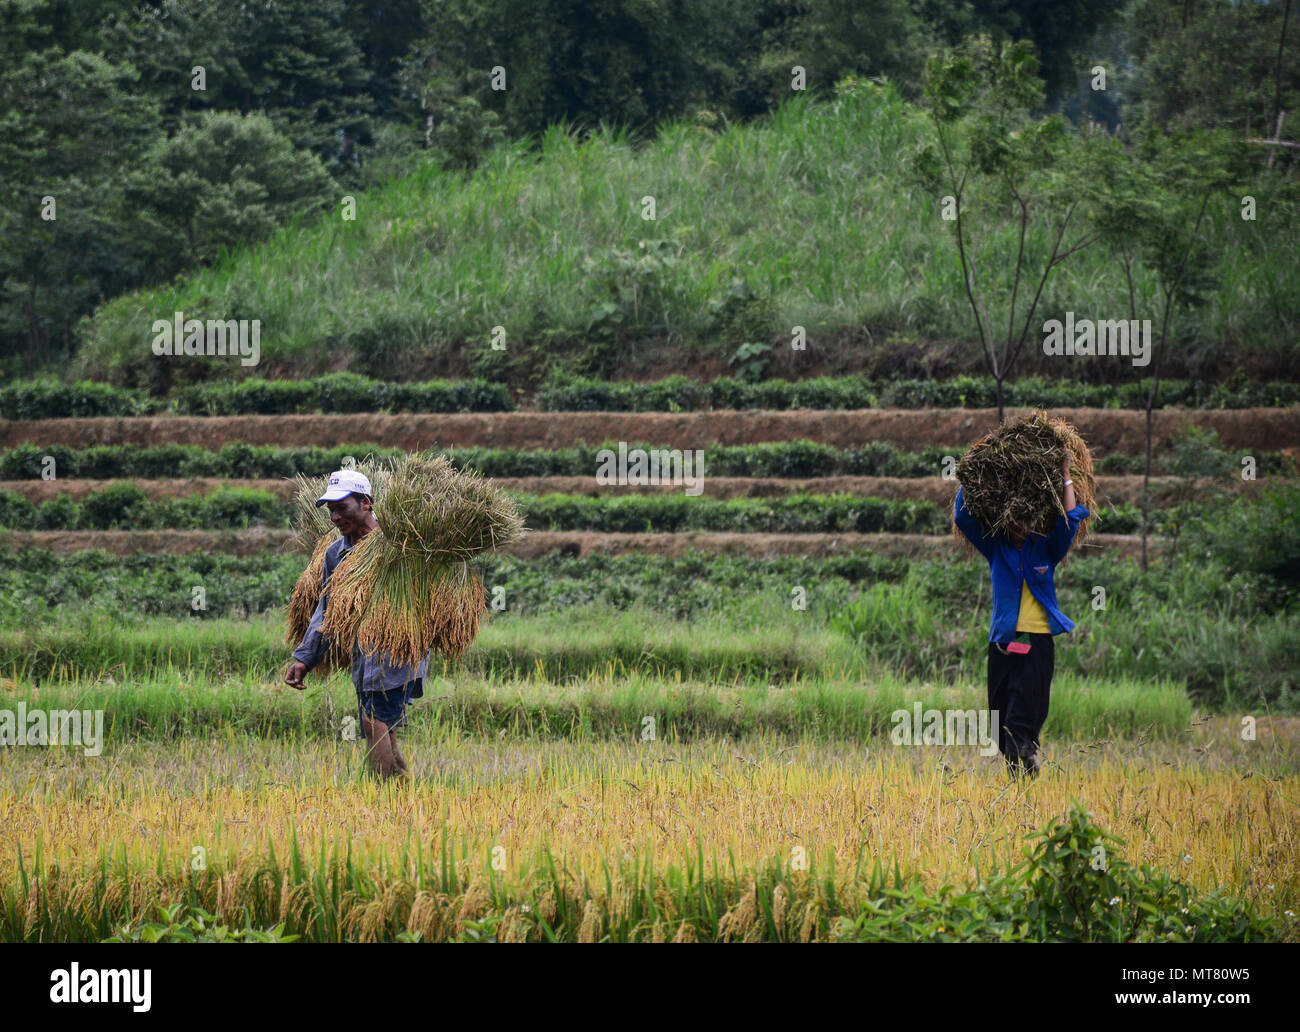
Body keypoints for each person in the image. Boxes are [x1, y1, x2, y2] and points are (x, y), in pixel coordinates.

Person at [284, 469, 430, 781]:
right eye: (331, 510)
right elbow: (327, 610)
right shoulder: (336, 554)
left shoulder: (398, 545)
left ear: (365, 503)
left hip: (397, 649)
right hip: (362, 656)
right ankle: (399, 787)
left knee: (373, 719)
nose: (335, 517)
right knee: (382, 722)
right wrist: (305, 658)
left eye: (342, 508)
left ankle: (382, 790)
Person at [953, 451, 1087, 779]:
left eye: (1024, 522)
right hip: (1003, 640)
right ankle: (1021, 772)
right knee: (999, 722)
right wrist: (970, 476)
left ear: (1033, 522)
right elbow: (962, 517)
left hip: (1037, 642)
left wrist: (1065, 473)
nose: (1017, 528)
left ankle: (1024, 768)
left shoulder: (1045, 550)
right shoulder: (996, 548)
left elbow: (1070, 521)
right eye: (1012, 521)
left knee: (1024, 716)